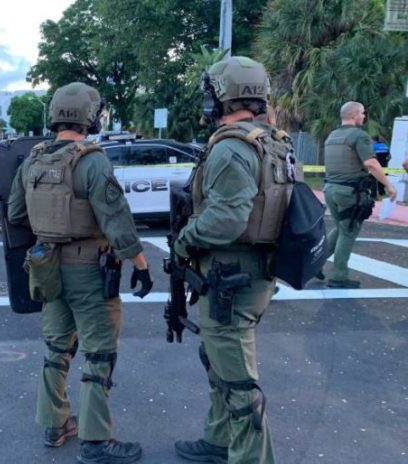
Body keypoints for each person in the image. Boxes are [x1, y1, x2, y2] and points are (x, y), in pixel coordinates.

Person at [8, 82, 153, 464]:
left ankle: (55, 426)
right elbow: (117, 222)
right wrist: (140, 265)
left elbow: (15, 215)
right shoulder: (91, 160)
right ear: (90, 116)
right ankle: (95, 441)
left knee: (57, 348)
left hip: (46, 269)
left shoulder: (33, 160)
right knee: (99, 352)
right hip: (89, 269)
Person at [174, 56, 284, 464]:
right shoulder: (270, 140)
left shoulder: (232, 147)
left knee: (238, 381)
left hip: (232, 278)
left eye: (209, 94)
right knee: (219, 361)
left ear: (222, 96)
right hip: (249, 275)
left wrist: (184, 241)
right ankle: (220, 442)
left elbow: (225, 220)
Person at [322, 102, 397, 288]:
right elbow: (371, 164)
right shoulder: (359, 136)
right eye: (363, 113)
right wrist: (388, 185)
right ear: (355, 115)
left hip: (331, 189)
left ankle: (314, 264)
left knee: (340, 228)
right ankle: (338, 276)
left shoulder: (333, 135)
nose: (364, 116)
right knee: (348, 232)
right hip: (350, 192)